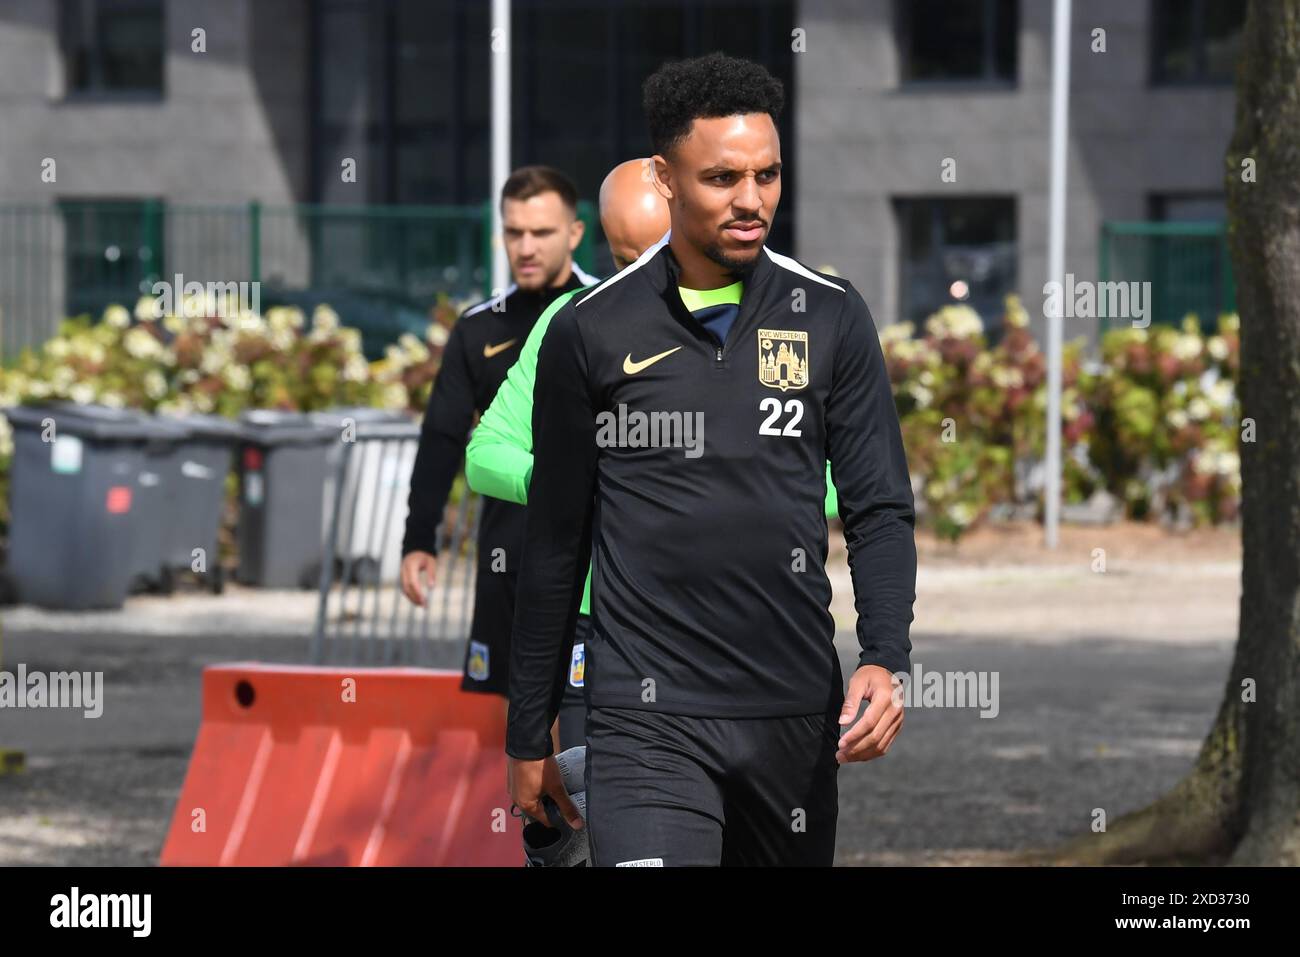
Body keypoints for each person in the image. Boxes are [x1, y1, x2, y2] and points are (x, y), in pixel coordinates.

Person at [506, 53, 917, 866]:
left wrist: (884, 654)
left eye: (766, 175)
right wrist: (528, 728)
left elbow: (878, 506)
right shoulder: (588, 330)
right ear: (665, 177)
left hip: (794, 715)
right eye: (723, 177)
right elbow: (556, 540)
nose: (751, 200)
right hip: (644, 720)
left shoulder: (830, 314)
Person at [463, 158, 670, 752]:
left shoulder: (766, 319)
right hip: (594, 620)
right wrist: (562, 481)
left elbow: (835, 478)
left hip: (724, 619)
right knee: (588, 821)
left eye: (658, 257)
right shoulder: (571, 321)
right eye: (625, 262)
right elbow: (487, 452)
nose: (641, 283)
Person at [400, 165, 598, 722]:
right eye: (515, 233)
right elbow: (442, 438)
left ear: (575, 233)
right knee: (522, 726)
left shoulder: (607, 314)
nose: (526, 247)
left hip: (590, 559)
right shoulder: (479, 328)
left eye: (542, 233)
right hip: (508, 554)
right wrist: (419, 539)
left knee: (588, 720)